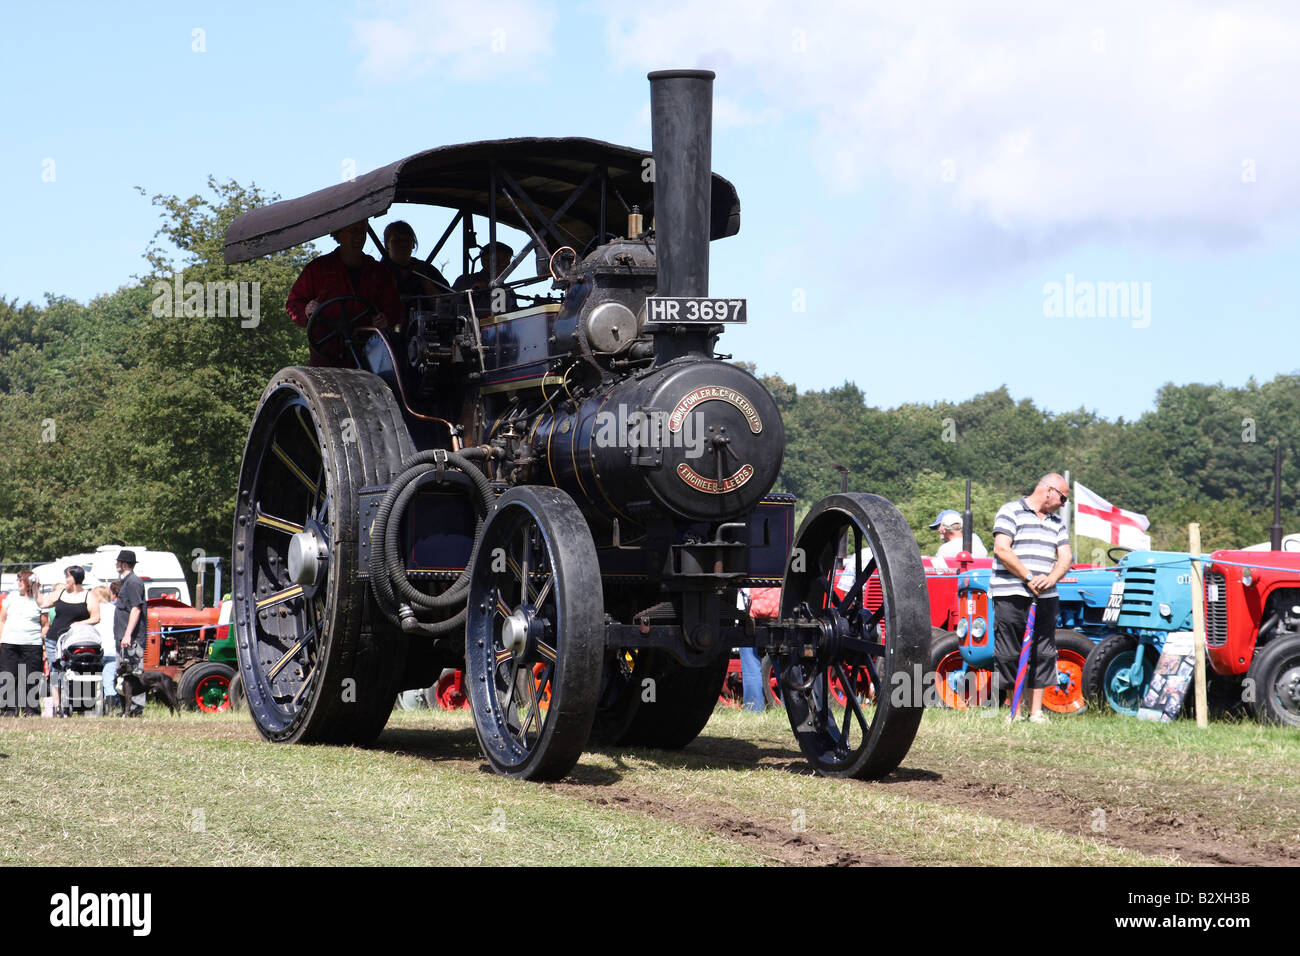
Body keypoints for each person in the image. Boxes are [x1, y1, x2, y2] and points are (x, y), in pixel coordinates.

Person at [990, 474, 1072, 723]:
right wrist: (1027, 577)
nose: (1064, 503)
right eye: (1063, 497)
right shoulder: (1010, 511)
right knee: (1008, 652)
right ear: (1049, 491)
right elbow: (1002, 549)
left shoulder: (1057, 522)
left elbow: (1066, 558)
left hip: (1046, 596)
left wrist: (1051, 578)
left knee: (1043, 651)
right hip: (1010, 592)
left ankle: (1035, 712)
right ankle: (1013, 709)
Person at [286, 220, 404, 367]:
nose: (359, 235)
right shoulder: (317, 268)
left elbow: (395, 308)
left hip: (370, 357)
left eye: (362, 230)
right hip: (326, 359)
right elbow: (293, 304)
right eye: (353, 230)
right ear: (339, 233)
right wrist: (307, 310)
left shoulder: (378, 272)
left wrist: (385, 319)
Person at [38, 566, 100, 716]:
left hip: (75, 641)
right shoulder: (60, 593)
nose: (65, 580)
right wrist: (35, 587)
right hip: (54, 639)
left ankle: (77, 704)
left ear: (75, 578)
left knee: (75, 671)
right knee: (55, 672)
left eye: (68, 576)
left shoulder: (88, 596)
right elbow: (42, 603)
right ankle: (57, 707)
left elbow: (96, 617)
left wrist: (80, 623)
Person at [0, 571, 45, 716]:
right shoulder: (11, 598)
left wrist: (41, 639)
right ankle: (8, 710)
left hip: (32, 644)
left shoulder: (39, 601)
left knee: (30, 677)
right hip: (10, 643)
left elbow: (45, 624)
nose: (19, 582)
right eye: (18, 580)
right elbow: (2, 619)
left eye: (22, 580)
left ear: (30, 582)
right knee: (8, 676)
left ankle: (30, 710)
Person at [383, 220, 450, 308]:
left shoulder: (427, 270)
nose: (402, 245)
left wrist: (425, 282)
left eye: (407, 240)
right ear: (387, 245)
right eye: (397, 241)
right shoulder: (377, 271)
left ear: (413, 244)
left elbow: (447, 305)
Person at [113, 550, 148, 717]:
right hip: (124, 638)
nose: (116, 565)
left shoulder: (133, 582)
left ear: (124, 564)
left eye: (118, 562)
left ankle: (136, 709)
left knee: (134, 674)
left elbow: (136, 608)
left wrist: (127, 635)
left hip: (131, 639)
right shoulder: (126, 582)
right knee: (124, 676)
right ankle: (126, 709)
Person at [453, 240, 518, 315]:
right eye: (499, 260)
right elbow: (453, 306)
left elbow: (514, 315)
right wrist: (473, 293)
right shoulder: (466, 281)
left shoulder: (508, 290)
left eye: (507, 262)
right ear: (484, 260)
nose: (503, 265)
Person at [92, 584, 119, 715]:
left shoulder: (95, 611)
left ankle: (97, 708)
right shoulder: (115, 610)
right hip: (113, 650)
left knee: (96, 680)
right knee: (109, 681)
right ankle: (110, 709)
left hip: (98, 649)